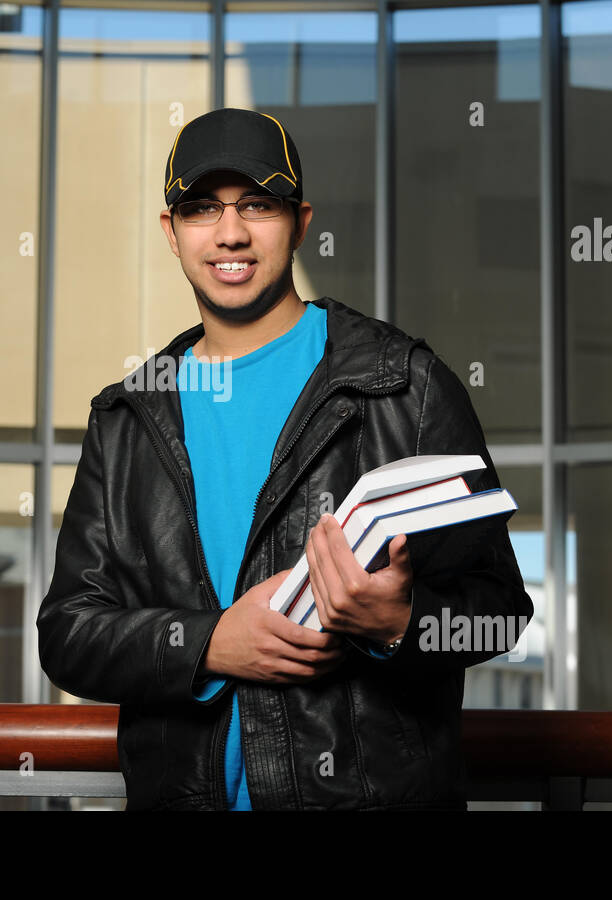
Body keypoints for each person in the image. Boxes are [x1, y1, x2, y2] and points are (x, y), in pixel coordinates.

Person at [38, 107, 533, 810]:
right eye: (202, 208)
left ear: (300, 223)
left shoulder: (405, 385)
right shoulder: (128, 418)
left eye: (257, 205)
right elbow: (67, 634)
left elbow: (500, 608)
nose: (231, 232)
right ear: (171, 233)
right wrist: (208, 644)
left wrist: (397, 622)